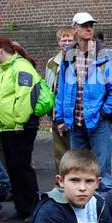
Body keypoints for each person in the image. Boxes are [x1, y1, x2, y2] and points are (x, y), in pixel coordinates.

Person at [53, 11, 112, 193]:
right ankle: (83, 208)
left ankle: (107, 211)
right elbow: (62, 89)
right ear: (75, 29)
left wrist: (104, 112)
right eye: (84, 25)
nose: (89, 28)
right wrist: (61, 117)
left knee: (104, 171)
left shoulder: (106, 54)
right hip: (75, 122)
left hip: (97, 120)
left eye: (91, 25)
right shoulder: (69, 56)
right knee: (79, 168)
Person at [0, 36, 46, 222]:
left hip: (20, 127)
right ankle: (22, 208)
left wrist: (20, 122)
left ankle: (33, 207)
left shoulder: (20, 67)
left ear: (1, 51)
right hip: (7, 127)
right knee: (13, 167)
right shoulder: (3, 71)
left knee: (22, 167)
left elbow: (25, 95)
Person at [44, 27, 75, 172]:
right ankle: (61, 182)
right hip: (57, 111)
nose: (67, 42)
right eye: (64, 40)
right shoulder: (52, 62)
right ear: (59, 42)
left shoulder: (78, 59)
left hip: (74, 111)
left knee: (75, 150)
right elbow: (48, 85)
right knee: (59, 152)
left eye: (70, 39)